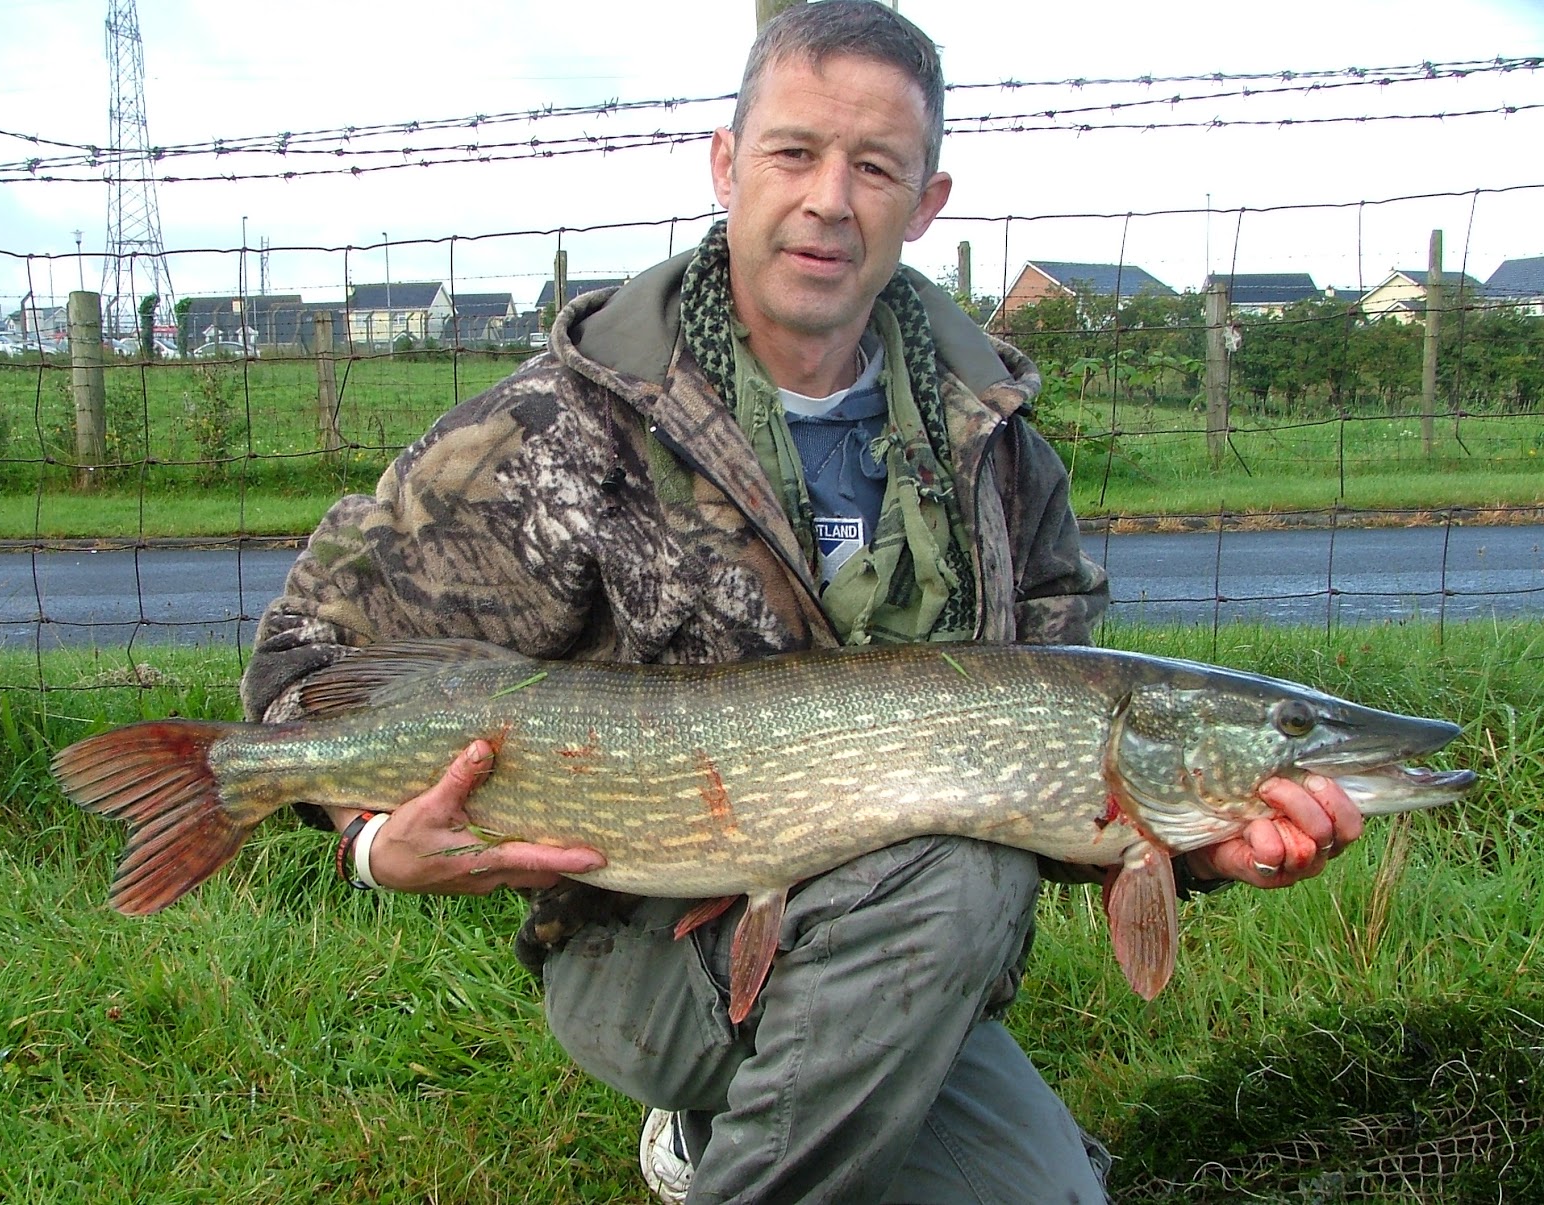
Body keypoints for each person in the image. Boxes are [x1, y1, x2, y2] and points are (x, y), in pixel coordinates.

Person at [242, 3, 1362, 1201]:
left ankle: (740, 1127)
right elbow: (303, 671)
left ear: (924, 202)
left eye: (875, 166)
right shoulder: (557, 429)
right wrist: (368, 844)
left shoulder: (999, 449)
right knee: (964, 876)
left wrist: (1203, 845)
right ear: (728, 166)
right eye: (794, 152)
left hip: (907, 962)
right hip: (643, 949)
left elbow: (1068, 766)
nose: (831, 196)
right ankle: (722, 1116)